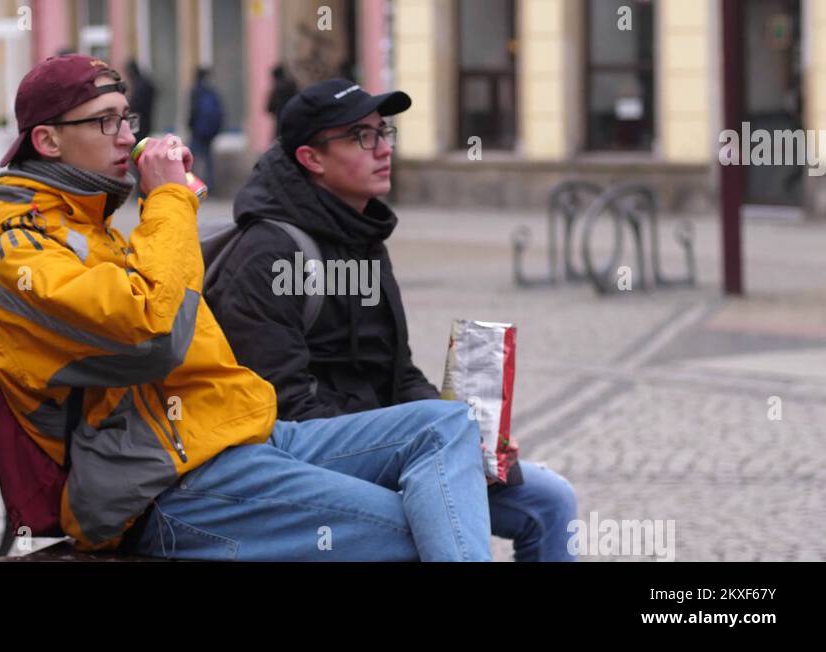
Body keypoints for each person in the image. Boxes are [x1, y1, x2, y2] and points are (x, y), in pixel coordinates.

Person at [0, 54, 497, 561]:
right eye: (105, 122)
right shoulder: (20, 257)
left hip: (242, 439)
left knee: (446, 425)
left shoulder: (91, 232)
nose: (127, 136)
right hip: (164, 485)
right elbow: (156, 333)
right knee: (412, 528)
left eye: (127, 118)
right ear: (47, 140)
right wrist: (169, 200)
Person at [205, 79, 579, 561]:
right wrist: (402, 444)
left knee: (549, 501)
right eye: (362, 136)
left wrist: (474, 440)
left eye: (384, 132)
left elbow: (398, 373)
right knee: (420, 510)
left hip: (399, 446)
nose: (383, 149)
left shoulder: (364, 238)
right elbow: (280, 405)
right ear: (311, 158)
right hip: (301, 457)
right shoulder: (269, 254)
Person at [187, 67, 222, 193]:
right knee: (208, 160)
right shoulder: (211, 91)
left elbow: (193, 111)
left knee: (190, 160)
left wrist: (190, 125)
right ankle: (211, 188)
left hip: (197, 131)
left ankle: (192, 187)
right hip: (209, 132)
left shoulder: (196, 91)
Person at [125, 59, 156, 139]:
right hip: (143, 122)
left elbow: (134, 107)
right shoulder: (141, 84)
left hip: (140, 123)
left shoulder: (141, 86)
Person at [266, 63, 298, 135]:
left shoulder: (276, 89)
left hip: (280, 121)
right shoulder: (292, 85)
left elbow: (269, 107)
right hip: (292, 119)